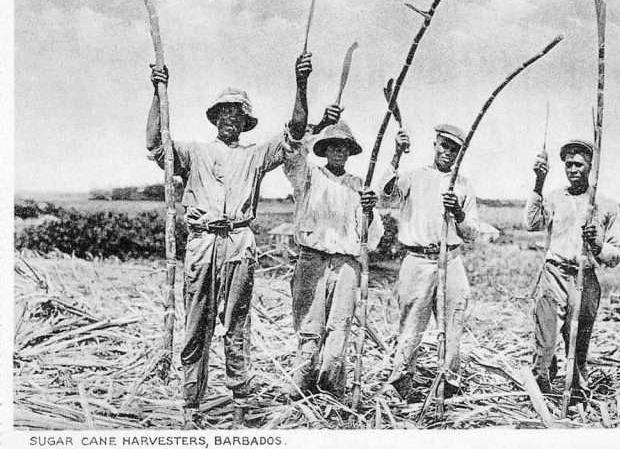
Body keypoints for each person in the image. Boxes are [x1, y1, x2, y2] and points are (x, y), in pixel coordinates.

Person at [146, 52, 313, 429]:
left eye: (237, 114)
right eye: (224, 112)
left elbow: (296, 131)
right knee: (196, 324)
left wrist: (301, 84)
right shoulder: (194, 153)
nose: (230, 119)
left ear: (245, 122)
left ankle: (240, 405)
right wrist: (158, 92)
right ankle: (192, 406)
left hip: (239, 242)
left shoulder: (255, 157)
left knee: (237, 325)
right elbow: (156, 145)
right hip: (202, 243)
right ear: (215, 117)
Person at [282, 105, 383, 400]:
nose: (339, 152)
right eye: (334, 147)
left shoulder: (358, 186)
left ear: (350, 153)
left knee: (339, 328)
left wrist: (369, 209)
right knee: (310, 328)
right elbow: (293, 151)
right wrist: (320, 124)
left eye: (344, 148)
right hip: (312, 260)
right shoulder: (309, 176)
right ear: (324, 150)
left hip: (345, 264)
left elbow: (370, 234)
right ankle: (301, 386)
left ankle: (332, 391)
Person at [378, 125, 479, 402]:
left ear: (460, 154)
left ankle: (448, 385)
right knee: (411, 326)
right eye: (444, 145)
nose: (447, 152)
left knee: (453, 324)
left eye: (454, 149)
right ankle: (400, 385)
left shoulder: (463, 185)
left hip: (451, 260)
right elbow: (385, 195)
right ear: (434, 144)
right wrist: (397, 154)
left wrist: (458, 213)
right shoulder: (413, 177)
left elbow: (471, 233)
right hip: (418, 260)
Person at [524, 139, 620, 400]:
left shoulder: (606, 205)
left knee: (577, 340)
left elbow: (615, 256)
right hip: (554, 273)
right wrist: (538, 182)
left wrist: (598, 244)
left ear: (590, 166)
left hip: (585, 276)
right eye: (568, 165)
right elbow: (532, 223)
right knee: (545, 339)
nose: (573, 170)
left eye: (579, 164)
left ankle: (577, 389)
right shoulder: (555, 198)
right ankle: (541, 389)